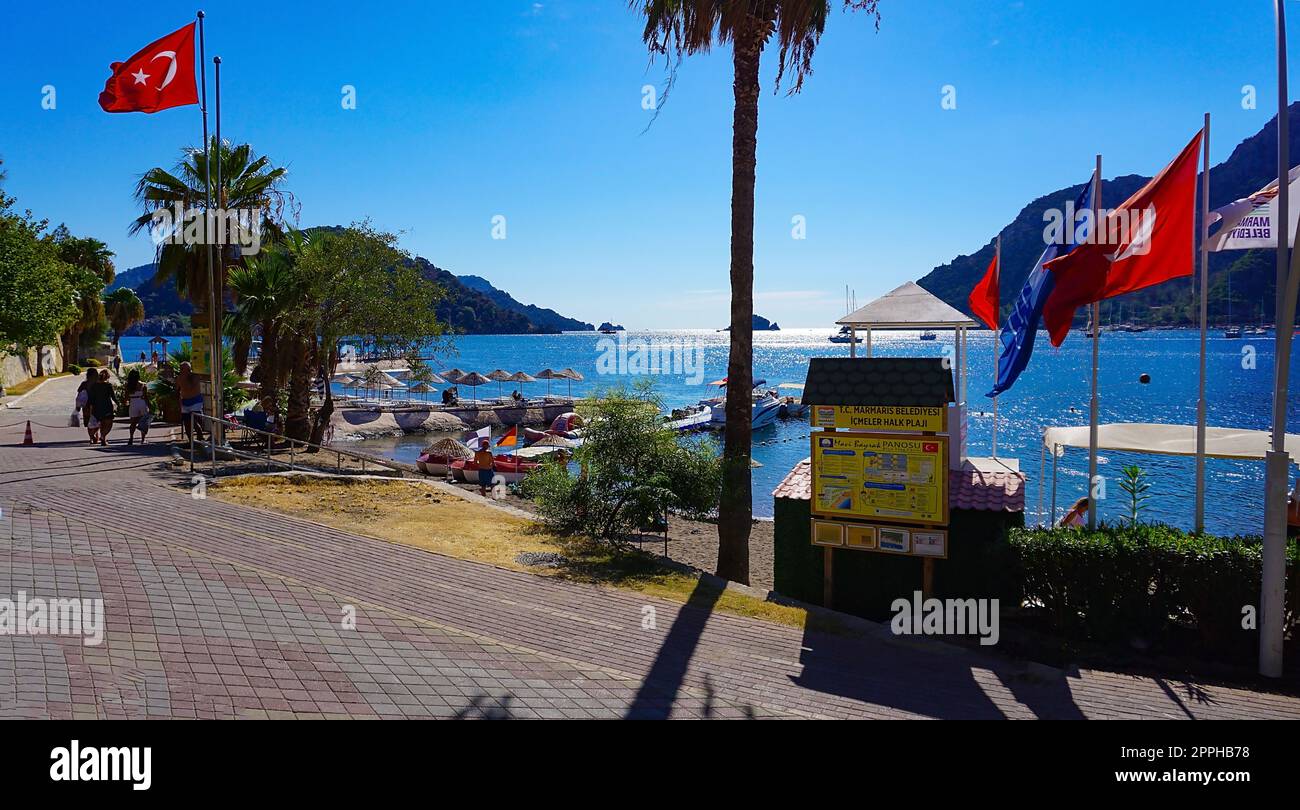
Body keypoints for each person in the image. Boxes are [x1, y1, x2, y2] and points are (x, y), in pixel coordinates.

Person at [87, 369, 117, 447]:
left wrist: (91, 408)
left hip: (96, 407)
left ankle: (93, 435)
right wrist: (119, 404)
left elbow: (91, 398)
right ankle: (103, 436)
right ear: (107, 377)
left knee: (97, 423)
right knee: (108, 424)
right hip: (107, 407)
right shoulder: (108, 385)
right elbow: (113, 397)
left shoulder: (94, 386)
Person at [177, 361, 205, 442]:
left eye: (184, 369)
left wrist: (185, 378)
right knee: (187, 423)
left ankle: (200, 437)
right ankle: (191, 441)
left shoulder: (194, 377)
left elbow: (189, 387)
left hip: (195, 401)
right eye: (181, 369)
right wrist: (179, 402)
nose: (182, 370)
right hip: (185, 402)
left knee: (194, 421)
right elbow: (178, 390)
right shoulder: (179, 378)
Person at [124, 369, 151, 445]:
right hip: (141, 402)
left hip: (133, 402)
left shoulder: (128, 385)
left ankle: (131, 438)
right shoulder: (143, 385)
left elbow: (126, 396)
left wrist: (125, 402)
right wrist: (149, 405)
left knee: (133, 423)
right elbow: (146, 397)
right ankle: (142, 439)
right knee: (144, 422)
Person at [75, 367, 98, 443]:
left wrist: (78, 406)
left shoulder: (84, 384)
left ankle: (92, 437)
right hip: (95, 405)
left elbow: (79, 395)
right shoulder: (98, 383)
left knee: (90, 423)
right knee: (97, 421)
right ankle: (93, 435)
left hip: (87, 406)